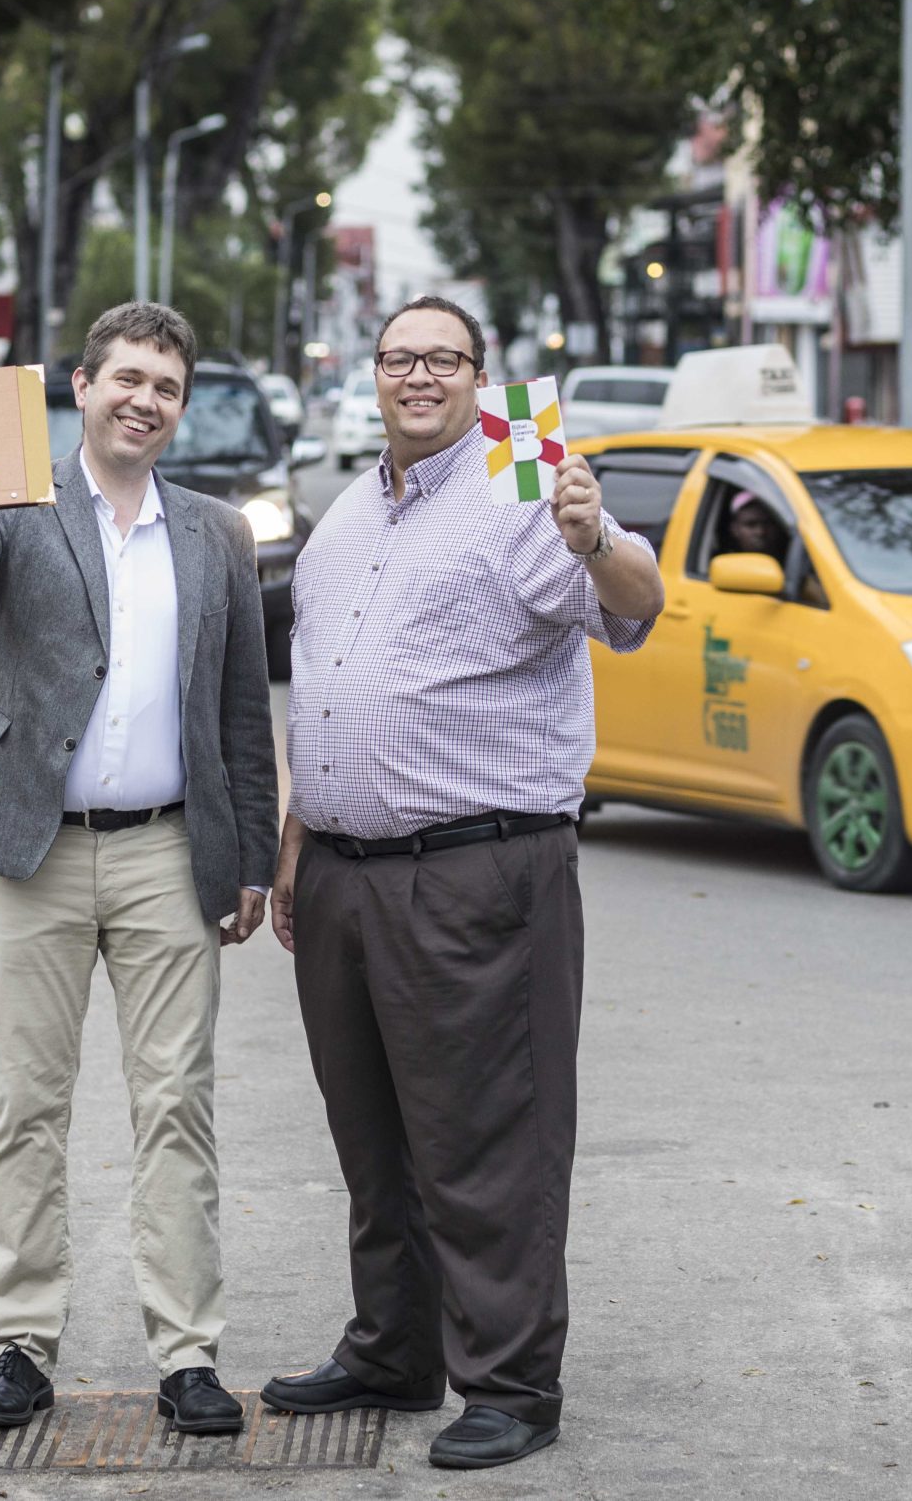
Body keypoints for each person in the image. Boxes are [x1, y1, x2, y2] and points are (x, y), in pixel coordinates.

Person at [261, 296, 664, 1470]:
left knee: (490, 1137)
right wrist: (298, 835)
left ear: (482, 379)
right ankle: (394, 1348)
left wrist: (594, 535)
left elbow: (636, 603)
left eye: (444, 358)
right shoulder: (347, 513)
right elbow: (327, 682)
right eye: (399, 357)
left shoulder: (524, 482)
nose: (419, 375)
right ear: (373, 374)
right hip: (343, 873)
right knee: (373, 1136)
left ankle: (512, 1384)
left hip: (476, 869)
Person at [0, 302, 278, 1440]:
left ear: (179, 406)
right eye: (127, 379)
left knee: (177, 1107)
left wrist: (252, 860)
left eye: (165, 386)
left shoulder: (217, 533)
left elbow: (241, 710)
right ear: (82, 386)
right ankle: (20, 1343)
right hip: (35, 851)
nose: (143, 401)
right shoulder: (16, 502)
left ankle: (189, 1354)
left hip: (169, 851)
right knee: (26, 1104)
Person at [724, 489, 790, 563]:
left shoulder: (794, 560)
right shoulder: (727, 563)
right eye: (751, 525)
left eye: (767, 523)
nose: (760, 532)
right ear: (734, 529)